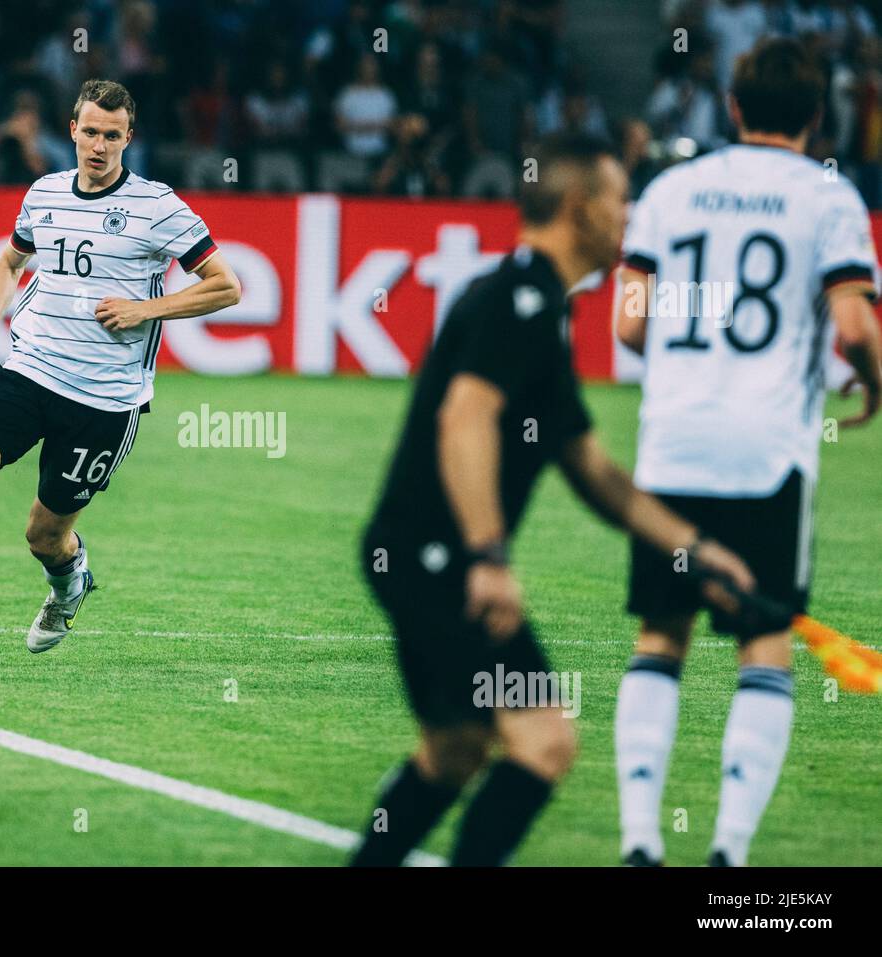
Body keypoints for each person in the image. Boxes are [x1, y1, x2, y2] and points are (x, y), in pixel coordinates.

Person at [350, 132, 756, 867]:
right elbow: (463, 417)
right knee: (543, 741)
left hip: (415, 554)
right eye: (620, 201)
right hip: (440, 560)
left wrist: (694, 550)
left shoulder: (532, 301)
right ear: (579, 208)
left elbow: (593, 471)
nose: (629, 219)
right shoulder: (522, 300)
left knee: (455, 748)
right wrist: (488, 556)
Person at [0, 79, 241, 657]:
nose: (99, 146)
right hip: (29, 368)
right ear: (72, 130)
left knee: (44, 534)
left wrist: (146, 309)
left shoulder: (158, 208)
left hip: (105, 398)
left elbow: (225, 286)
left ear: (129, 138)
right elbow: (9, 262)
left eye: (112, 135)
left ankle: (69, 580)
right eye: (90, 132)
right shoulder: (45, 193)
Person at [614, 37, 882, 867]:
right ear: (817, 115)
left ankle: (638, 839)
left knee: (661, 635)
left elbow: (628, 322)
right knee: (762, 642)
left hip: (673, 443)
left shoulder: (672, 188)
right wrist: (873, 382)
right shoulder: (828, 198)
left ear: (732, 108)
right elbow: (852, 325)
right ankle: (728, 850)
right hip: (766, 449)